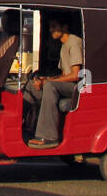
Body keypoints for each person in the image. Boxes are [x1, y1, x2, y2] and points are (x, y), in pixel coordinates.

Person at [25, 18, 83, 148]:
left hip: (77, 88)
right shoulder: (64, 45)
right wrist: (45, 79)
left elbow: (75, 75)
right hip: (66, 84)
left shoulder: (74, 42)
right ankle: (25, 127)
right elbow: (64, 74)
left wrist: (49, 82)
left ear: (64, 28)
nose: (51, 30)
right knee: (31, 86)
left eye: (54, 26)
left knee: (50, 86)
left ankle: (48, 137)